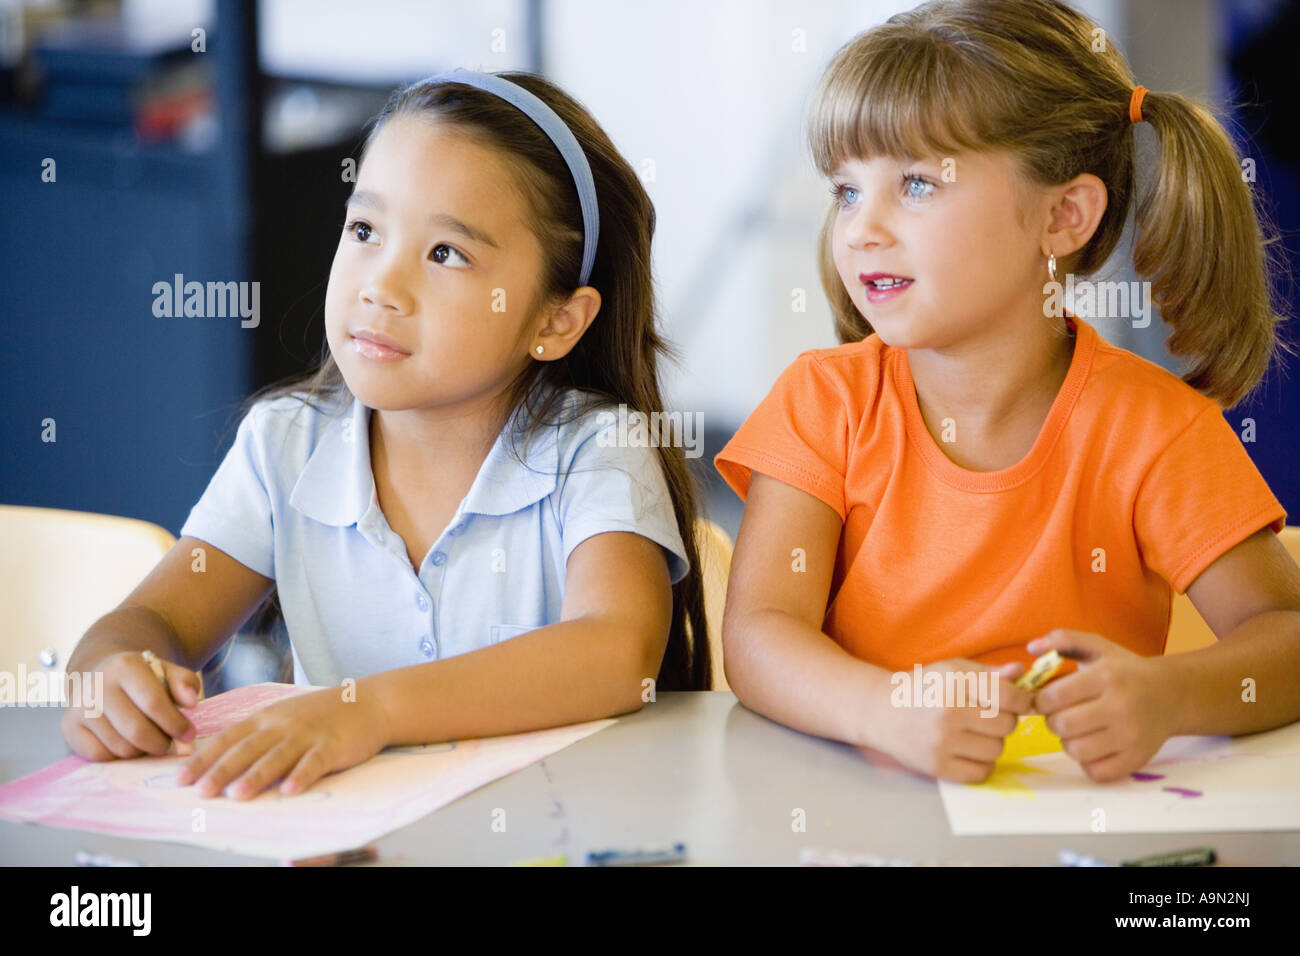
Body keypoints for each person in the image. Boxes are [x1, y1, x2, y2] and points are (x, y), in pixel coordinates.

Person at [61, 69, 710, 800]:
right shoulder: (284, 446)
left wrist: (368, 710)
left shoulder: (596, 450)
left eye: (446, 253)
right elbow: (153, 620)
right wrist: (110, 672)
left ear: (555, 320)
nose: (381, 287)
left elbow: (616, 652)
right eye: (365, 231)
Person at [716, 0, 1300, 785]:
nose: (860, 230)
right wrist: (885, 711)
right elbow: (757, 636)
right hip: (854, 815)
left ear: (1063, 217)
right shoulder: (821, 403)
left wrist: (1169, 696)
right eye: (846, 191)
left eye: (916, 184)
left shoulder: (1154, 427)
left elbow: (1285, 634)